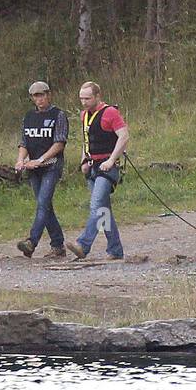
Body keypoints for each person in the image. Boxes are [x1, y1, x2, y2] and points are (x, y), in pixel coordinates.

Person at [68, 81, 129, 261]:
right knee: (103, 210)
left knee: (96, 205)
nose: (84, 102)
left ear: (97, 97)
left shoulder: (110, 113)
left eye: (87, 98)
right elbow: (86, 140)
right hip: (92, 166)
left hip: (107, 168)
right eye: (81, 99)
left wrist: (111, 160)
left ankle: (83, 244)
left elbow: (124, 136)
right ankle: (115, 249)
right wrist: (83, 161)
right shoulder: (84, 115)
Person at [15, 81, 69, 259]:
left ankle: (31, 242)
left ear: (49, 95)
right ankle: (58, 245)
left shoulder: (58, 115)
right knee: (45, 206)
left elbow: (59, 143)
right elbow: (24, 142)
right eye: (35, 96)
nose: (39, 99)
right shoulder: (28, 117)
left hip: (51, 165)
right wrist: (20, 160)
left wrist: (40, 160)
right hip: (33, 168)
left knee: (43, 202)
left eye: (42, 95)